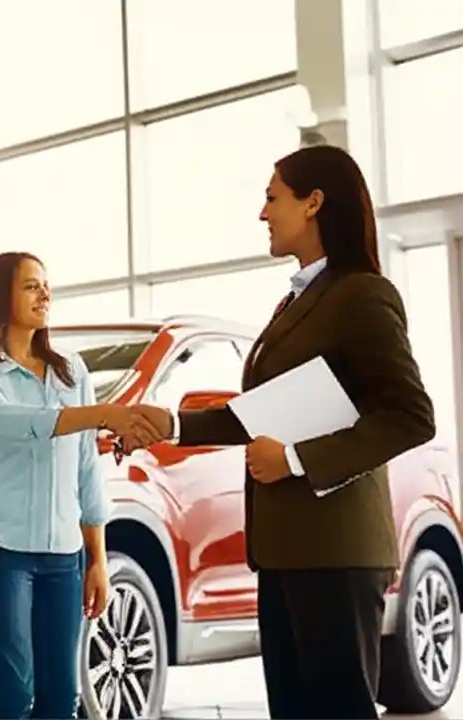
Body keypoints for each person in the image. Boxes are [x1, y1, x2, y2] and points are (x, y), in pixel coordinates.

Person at [131, 145, 436, 719]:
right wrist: (170, 423)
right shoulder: (300, 300)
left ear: (314, 203)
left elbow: (410, 415)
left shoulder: (361, 295)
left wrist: (295, 459)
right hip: (287, 551)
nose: (263, 213)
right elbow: (262, 413)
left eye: (273, 197)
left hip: (335, 549)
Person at [0, 251, 162, 720]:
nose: (44, 294)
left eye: (45, 285)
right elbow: (9, 422)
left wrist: (98, 560)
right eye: (30, 285)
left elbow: (86, 466)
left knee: (62, 695)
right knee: (14, 692)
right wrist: (102, 414)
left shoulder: (72, 371)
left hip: (64, 554)